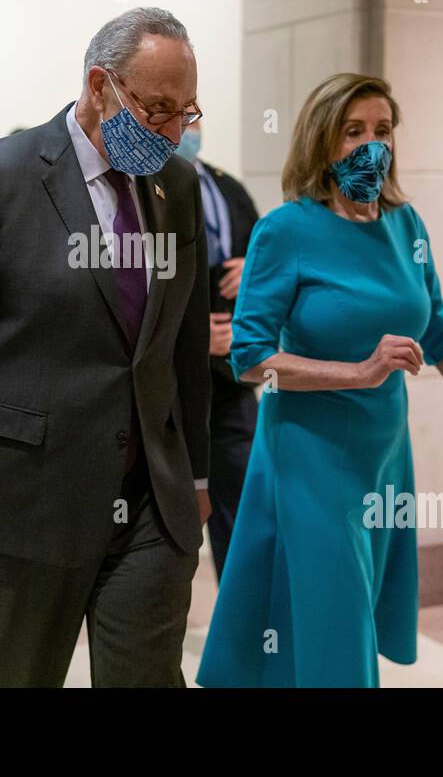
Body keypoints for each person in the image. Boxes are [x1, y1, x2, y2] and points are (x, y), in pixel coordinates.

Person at [0, 7, 212, 687]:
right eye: (156, 111)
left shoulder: (175, 186)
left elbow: (182, 343)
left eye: (187, 113)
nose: (174, 132)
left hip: (150, 501)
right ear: (101, 86)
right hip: (29, 498)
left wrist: (197, 473)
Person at [196, 73, 443, 688]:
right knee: (336, 620)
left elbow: (440, 330)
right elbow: (248, 356)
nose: (370, 145)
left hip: (383, 457)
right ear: (322, 142)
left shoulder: (405, 225)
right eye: (352, 131)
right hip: (309, 456)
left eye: (382, 131)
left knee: (324, 618)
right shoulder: (286, 230)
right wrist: (359, 372)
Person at [173, 122, 260, 579]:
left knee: (244, 513)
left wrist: (254, 268)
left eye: (194, 118)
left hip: (232, 378)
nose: (189, 128)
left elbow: (271, 258)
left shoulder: (227, 187)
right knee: (173, 522)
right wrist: (189, 337)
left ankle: (241, 628)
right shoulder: (141, 189)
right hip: (169, 386)